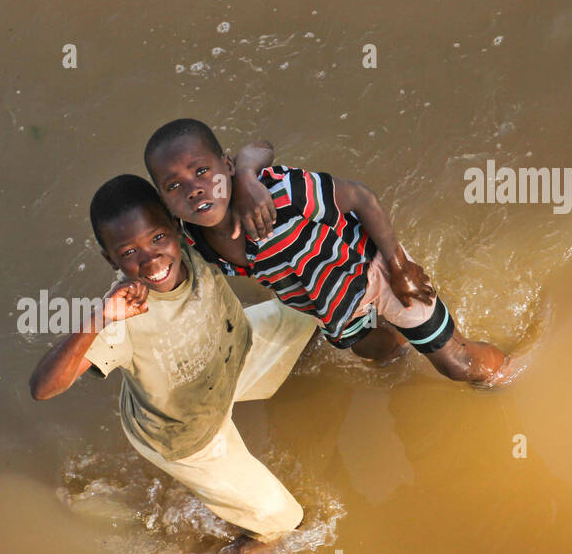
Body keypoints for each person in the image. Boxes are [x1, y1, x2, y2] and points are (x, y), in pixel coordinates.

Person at [29, 172, 317, 554]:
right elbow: (43, 388)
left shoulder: (201, 240)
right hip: (187, 434)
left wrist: (246, 177)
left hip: (236, 359)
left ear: (177, 228)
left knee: (317, 305)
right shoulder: (123, 315)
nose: (151, 260)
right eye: (129, 253)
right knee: (285, 525)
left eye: (158, 238)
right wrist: (99, 317)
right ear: (109, 258)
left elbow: (246, 158)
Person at [144, 119, 514, 386]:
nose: (194, 189)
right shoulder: (192, 243)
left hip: (377, 272)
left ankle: (508, 375)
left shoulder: (279, 196)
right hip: (332, 307)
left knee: (458, 364)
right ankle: (402, 341)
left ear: (227, 166)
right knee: (381, 353)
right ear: (164, 200)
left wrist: (399, 265)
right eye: (175, 185)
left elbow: (361, 197)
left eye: (202, 171)